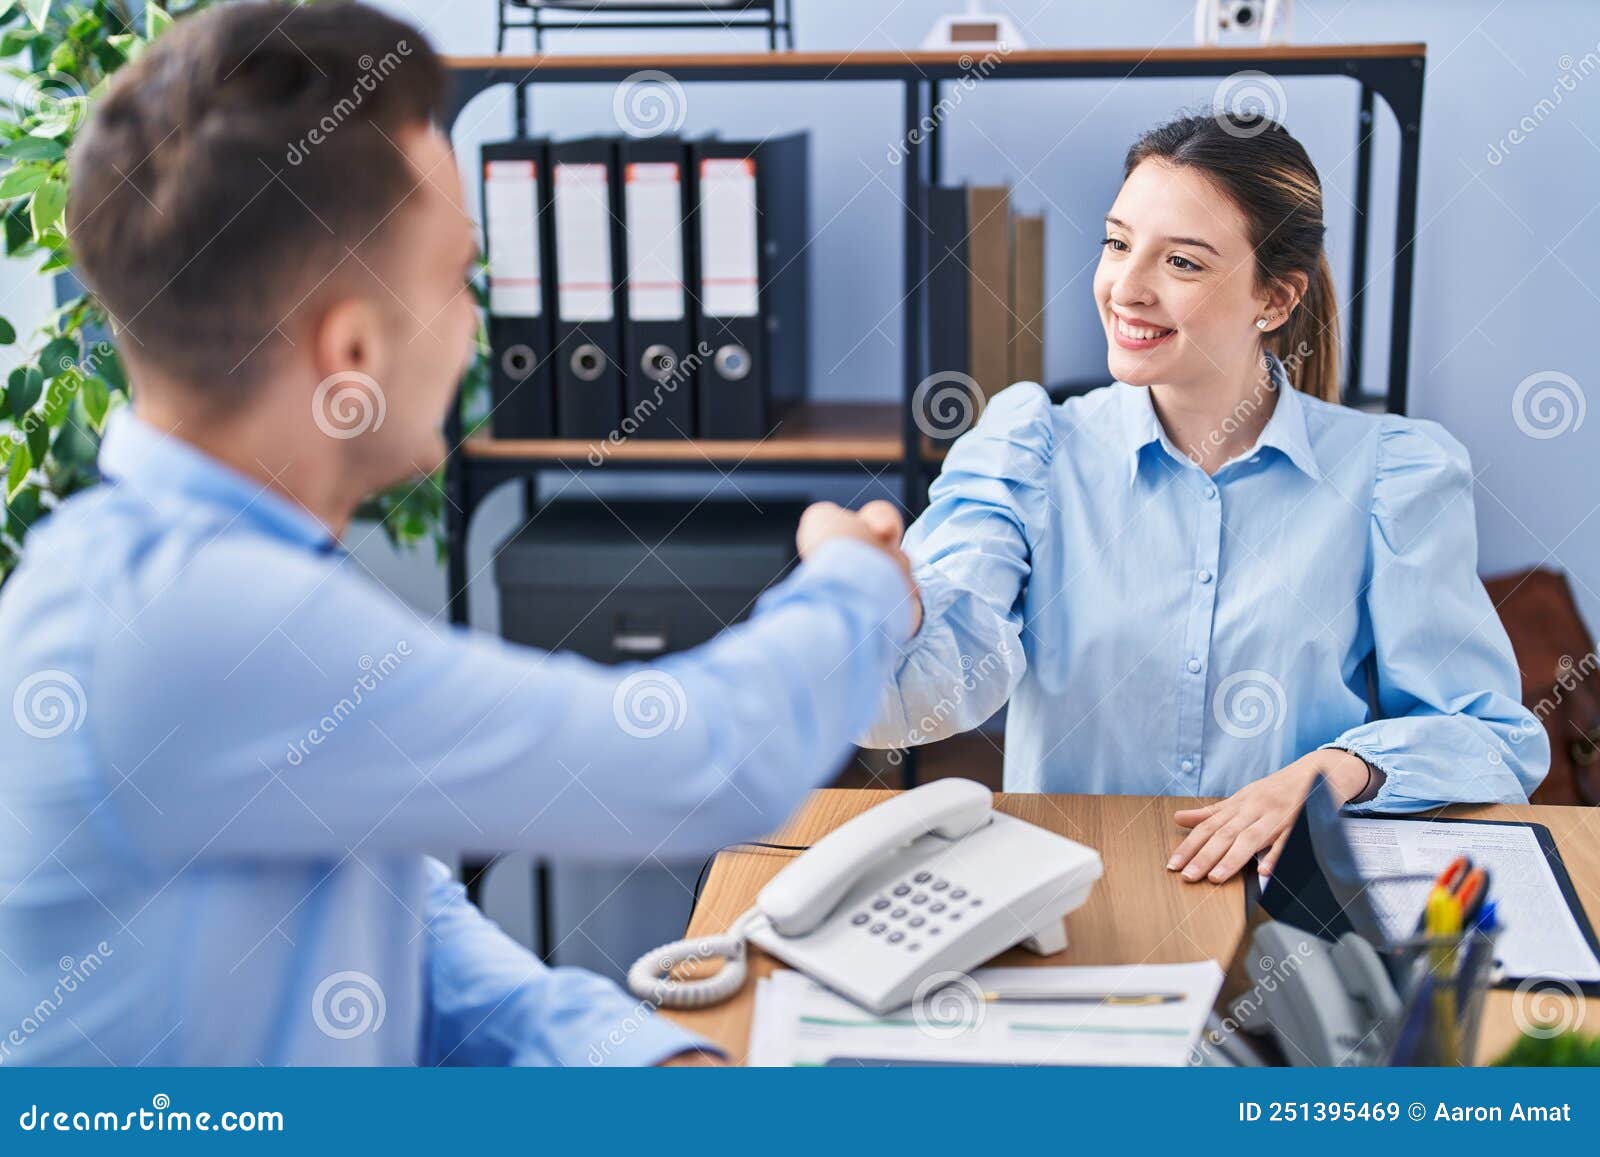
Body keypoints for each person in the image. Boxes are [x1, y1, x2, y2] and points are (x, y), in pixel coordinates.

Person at [0, 2, 916, 1067]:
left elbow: (404, 912)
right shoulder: (187, 618)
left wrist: (640, 1058)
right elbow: (700, 762)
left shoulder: (221, 572)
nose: (478, 322)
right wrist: (856, 579)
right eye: (454, 280)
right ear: (349, 348)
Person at [861, 112, 1547, 884]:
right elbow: (923, 695)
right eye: (1118, 243)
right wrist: (881, 610)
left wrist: (1338, 767)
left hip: (1287, 910)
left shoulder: (1393, 475)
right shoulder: (1031, 450)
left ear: (1277, 299)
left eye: (1182, 263)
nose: (1127, 287)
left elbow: (1493, 741)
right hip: (1075, 896)